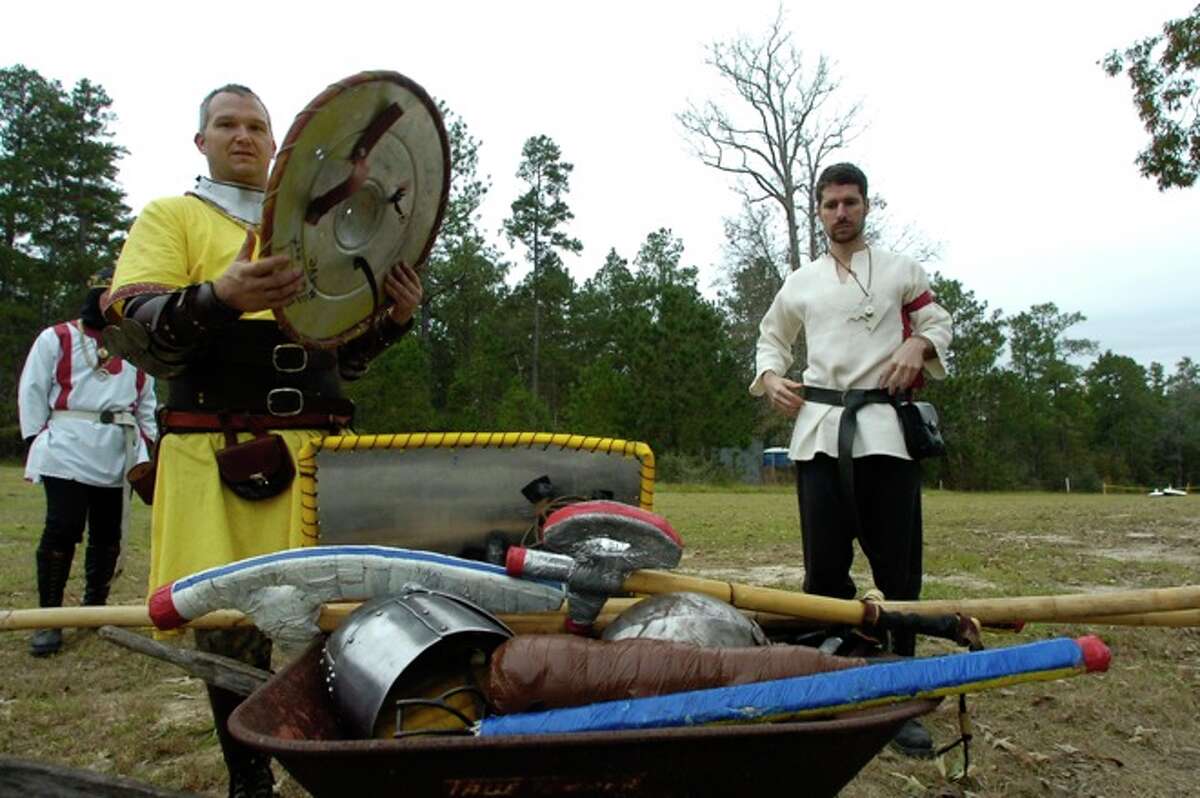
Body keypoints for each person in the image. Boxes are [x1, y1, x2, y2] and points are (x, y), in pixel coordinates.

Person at [104, 84, 423, 797]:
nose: (242, 136)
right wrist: (220, 296)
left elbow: (344, 355)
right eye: (226, 125)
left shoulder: (328, 228)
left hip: (318, 452)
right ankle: (249, 779)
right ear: (202, 142)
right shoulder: (172, 216)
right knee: (228, 623)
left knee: (337, 615)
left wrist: (393, 320)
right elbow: (134, 320)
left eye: (256, 126)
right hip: (217, 447)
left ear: (277, 143)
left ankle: (339, 767)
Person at [750, 162, 952, 757]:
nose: (841, 212)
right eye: (831, 204)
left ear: (867, 206)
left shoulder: (899, 272)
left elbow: (937, 318)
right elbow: (771, 337)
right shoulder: (801, 283)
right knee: (823, 574)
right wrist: (769, 376)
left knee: (899, 577)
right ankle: (830, 686)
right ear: (818, 211)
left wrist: (918, 342)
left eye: (851, 202)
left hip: (884, 433)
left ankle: (900, 698)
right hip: (817, 434)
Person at [18, 269, 158, 657]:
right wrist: (36, 441)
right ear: (95, 296)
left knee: (108, 534)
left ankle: (93, 610)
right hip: (66, 446)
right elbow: (32, 389)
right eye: (107, 295)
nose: (113, 304)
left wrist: (148, 449)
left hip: (118, 451)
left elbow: (146, 403)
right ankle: (48, 619)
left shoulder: (136, 347)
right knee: (61, 528)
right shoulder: (57, 337)